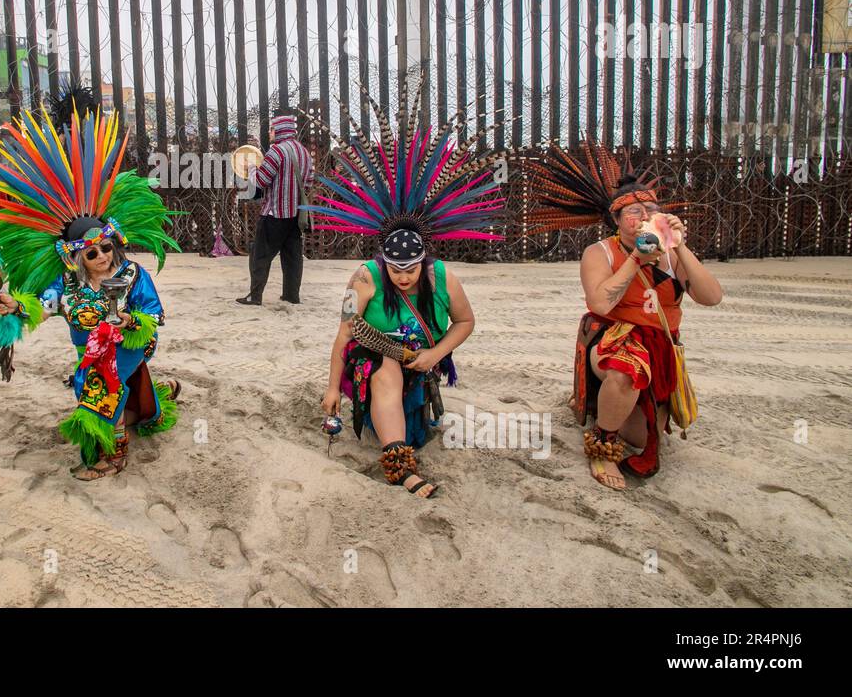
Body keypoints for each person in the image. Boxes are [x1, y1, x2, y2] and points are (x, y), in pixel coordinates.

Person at [0, 105, 182, 480]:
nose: (101, 256)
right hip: (87, 351)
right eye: (91, 252)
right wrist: (12, 305)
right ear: (75, 256)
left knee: (99, 387)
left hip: (127, 344)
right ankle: (155, 399)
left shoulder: (133, 274)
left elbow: (155, 317)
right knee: (97, 383)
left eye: (106, 248)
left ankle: (112, 454)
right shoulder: (68, 284)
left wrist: (129, 320)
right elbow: (41, 307)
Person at [308, 100, 505, 498]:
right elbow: (344, 335)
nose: (402, 277)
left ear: (422, 262)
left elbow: (466, 322)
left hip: (421, 358)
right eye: (395, 270)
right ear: (384, 261)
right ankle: (399, 468)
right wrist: (331, 389)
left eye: (410, 270)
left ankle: (403, 433)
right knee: (385, 370)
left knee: (402, 381)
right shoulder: (364, 276)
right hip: (376, 356)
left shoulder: (442, 276)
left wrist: (436, 354)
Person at [522, 143, 724, 491]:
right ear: (615, 221)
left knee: (643, 440)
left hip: (660, 345)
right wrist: (636, 261)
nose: (644, 216)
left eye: (650, 209)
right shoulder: (599, 252)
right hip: (613, 339)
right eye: (633, 212)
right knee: (628, 370)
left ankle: (592, 404)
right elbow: (600, 304)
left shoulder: (672, 253)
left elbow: (711, 297)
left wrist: (679, 247)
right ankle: (601, 445)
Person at [236, 110, 313, 306]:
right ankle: (291, 296)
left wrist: (251, 167)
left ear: (279, 130)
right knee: (293, 258)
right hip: (296, 215)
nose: (270, 132)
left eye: (272, 128)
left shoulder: (277, 151)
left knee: (260, 256)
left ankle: (255, 296)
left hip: (275, 213)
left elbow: (261, 181)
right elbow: (309, 183)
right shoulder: (304, 152)